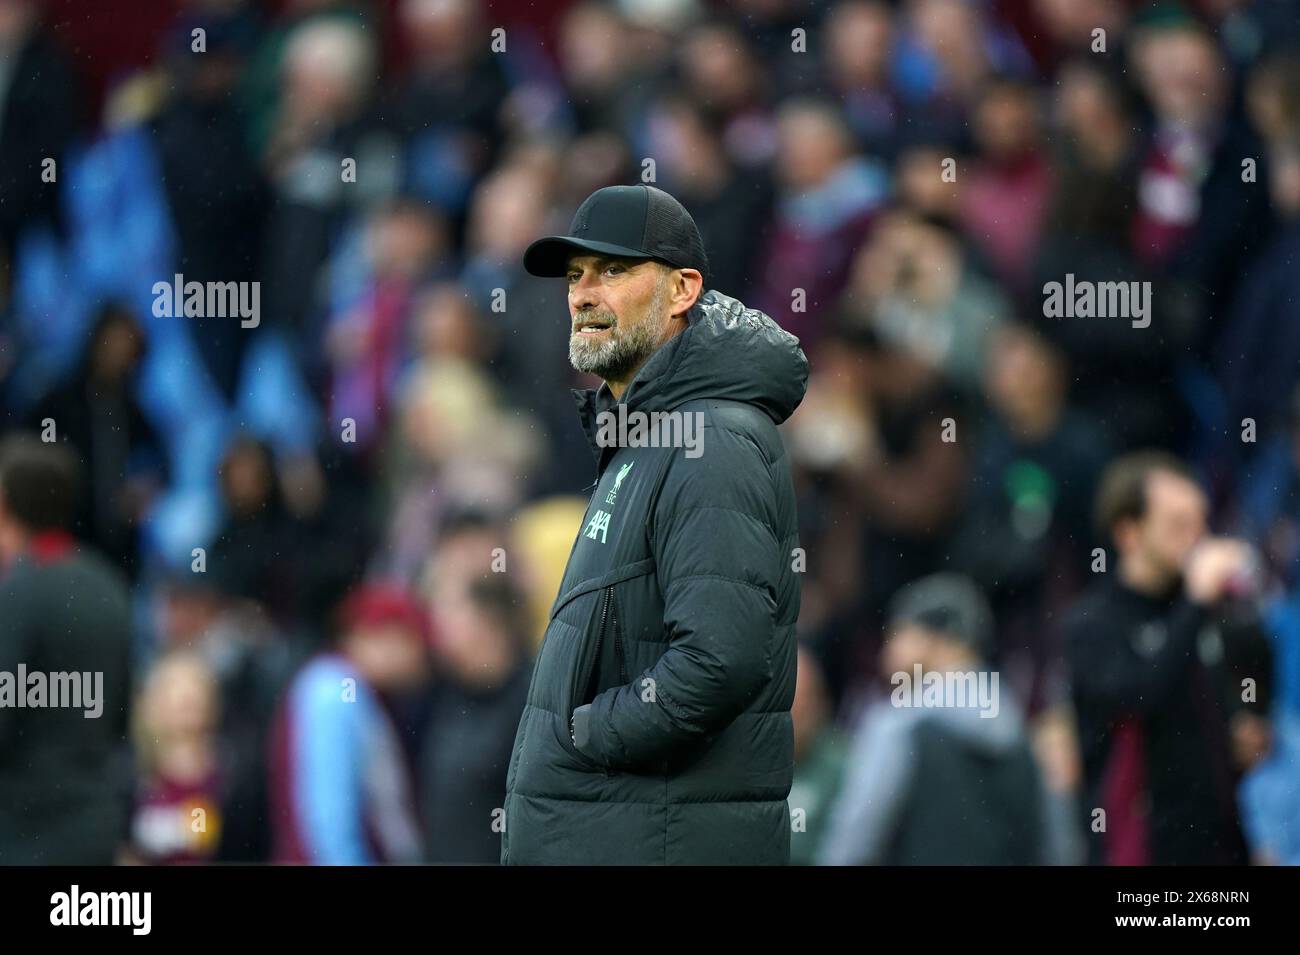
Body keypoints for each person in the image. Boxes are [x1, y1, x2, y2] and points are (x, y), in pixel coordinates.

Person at [500, 183, 808, 864]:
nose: (582, 294)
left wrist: (585, 734)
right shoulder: (651, 437)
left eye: (613, 270)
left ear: (682, 290)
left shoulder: (712, 440)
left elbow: (719, 660)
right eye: (575, 276)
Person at [1063, 451, 1268, 865]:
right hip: (1139, 851)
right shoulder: (1092, 623)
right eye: (1178, 524)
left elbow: (1244, 688)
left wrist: (1245, 730)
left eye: (1200, 522)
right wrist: (1195, 601)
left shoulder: (1210, 613)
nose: (1197, 538)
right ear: (1129, 533)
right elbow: (1140, 695)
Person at [818, 573, 1051, 865]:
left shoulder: (899, 726)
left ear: (938, 638)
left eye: (898, 633)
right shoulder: (1017, 724)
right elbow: (1049, 842)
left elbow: (854, 843)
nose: (888, 650)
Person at [0, 435, 133, 864]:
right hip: (96, 825)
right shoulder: (111, 588)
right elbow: (118, 718)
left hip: (22, 833)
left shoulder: (16, 593)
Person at [268, 583, 427, 865]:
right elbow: (330, 824)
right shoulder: (334, 690)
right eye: (412, 640)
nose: (419, 656)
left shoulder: (360, 691)